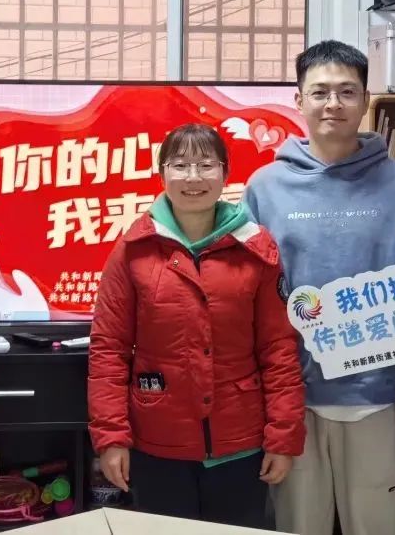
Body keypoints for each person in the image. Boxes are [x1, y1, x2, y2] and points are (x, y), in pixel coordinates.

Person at [244, 40, 395, 535]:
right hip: (291, 396)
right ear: (298, 99)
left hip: (377, 393)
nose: (333, 103)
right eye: (320, 91)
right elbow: (250, 293)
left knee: (376, 526)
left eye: (347, 92)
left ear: (365, 99)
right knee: (298, 525)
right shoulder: (265, 186)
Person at [88, 123, 305, 528]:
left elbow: (278, 348)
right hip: (158, 443)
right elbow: (109, 351)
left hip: (241, 445)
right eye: (180, 165)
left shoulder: (255, 249)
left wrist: (283, 437)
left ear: (225, 174)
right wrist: (111, 438)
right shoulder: (133, 250)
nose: (193, 177)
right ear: (162, 173)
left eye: (206, 165)